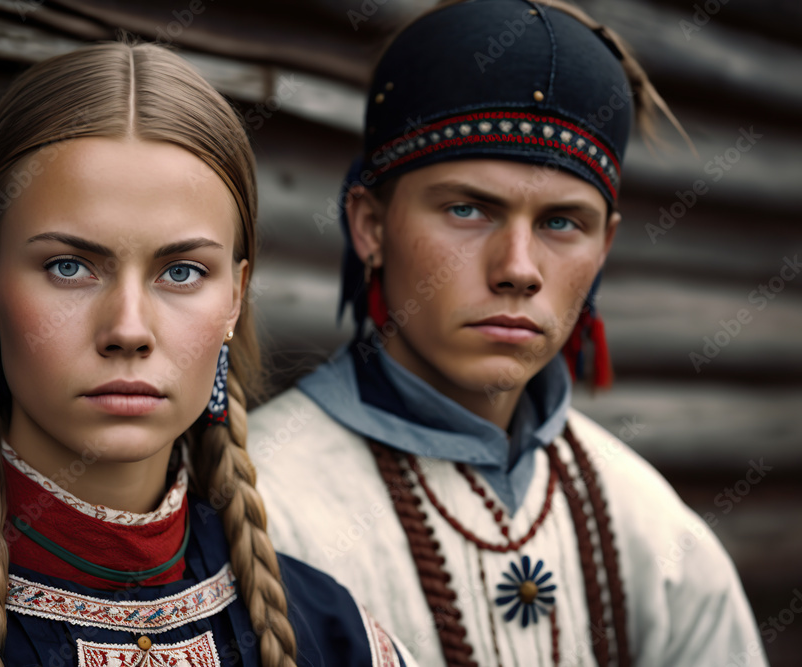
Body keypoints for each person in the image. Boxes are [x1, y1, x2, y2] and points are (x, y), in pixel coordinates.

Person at [0, 41, 415, 667]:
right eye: (69, 267)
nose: (127, 328)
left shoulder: (338, 638)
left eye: (181, 272)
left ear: (234, 298)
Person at [247, 1, 768, 666]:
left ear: (605, 246)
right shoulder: (265, 510)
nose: (518, 269)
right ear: (371, 226)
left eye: (561, 223)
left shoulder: (657, 535)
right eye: (467, 209)